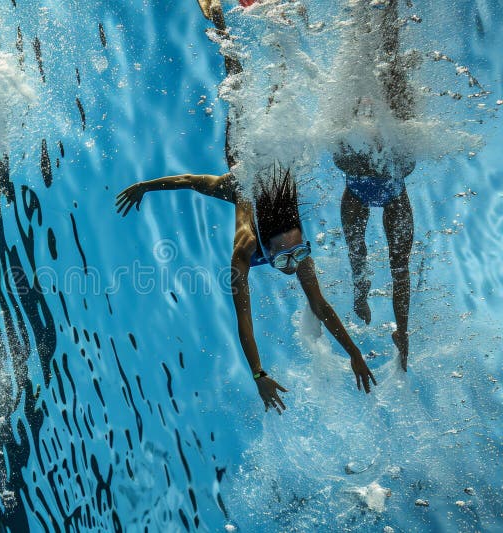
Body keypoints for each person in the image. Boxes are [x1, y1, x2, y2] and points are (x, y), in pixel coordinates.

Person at [116, 0, 376, 415]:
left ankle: (235, 19)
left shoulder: (250, 249)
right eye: (293, 254)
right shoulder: (268, 243)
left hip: (248, 155)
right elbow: (186, 181)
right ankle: (249, 19)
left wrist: (352, 352)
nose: (295, 264)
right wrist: (144, 186)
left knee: (249, 88)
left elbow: (303, 309)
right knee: (259, 84)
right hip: (260, 161)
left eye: (294, 253)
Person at [332, 0, 414, 371]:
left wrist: (361, 297)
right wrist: (403, 331)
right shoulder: (378, 201)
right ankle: (377, 11)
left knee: (384, 69)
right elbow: (395, 270)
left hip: (371, 161)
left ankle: (370, 12)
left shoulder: (353, 200)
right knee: (387, 69)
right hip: (370, 160)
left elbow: (358, 256)